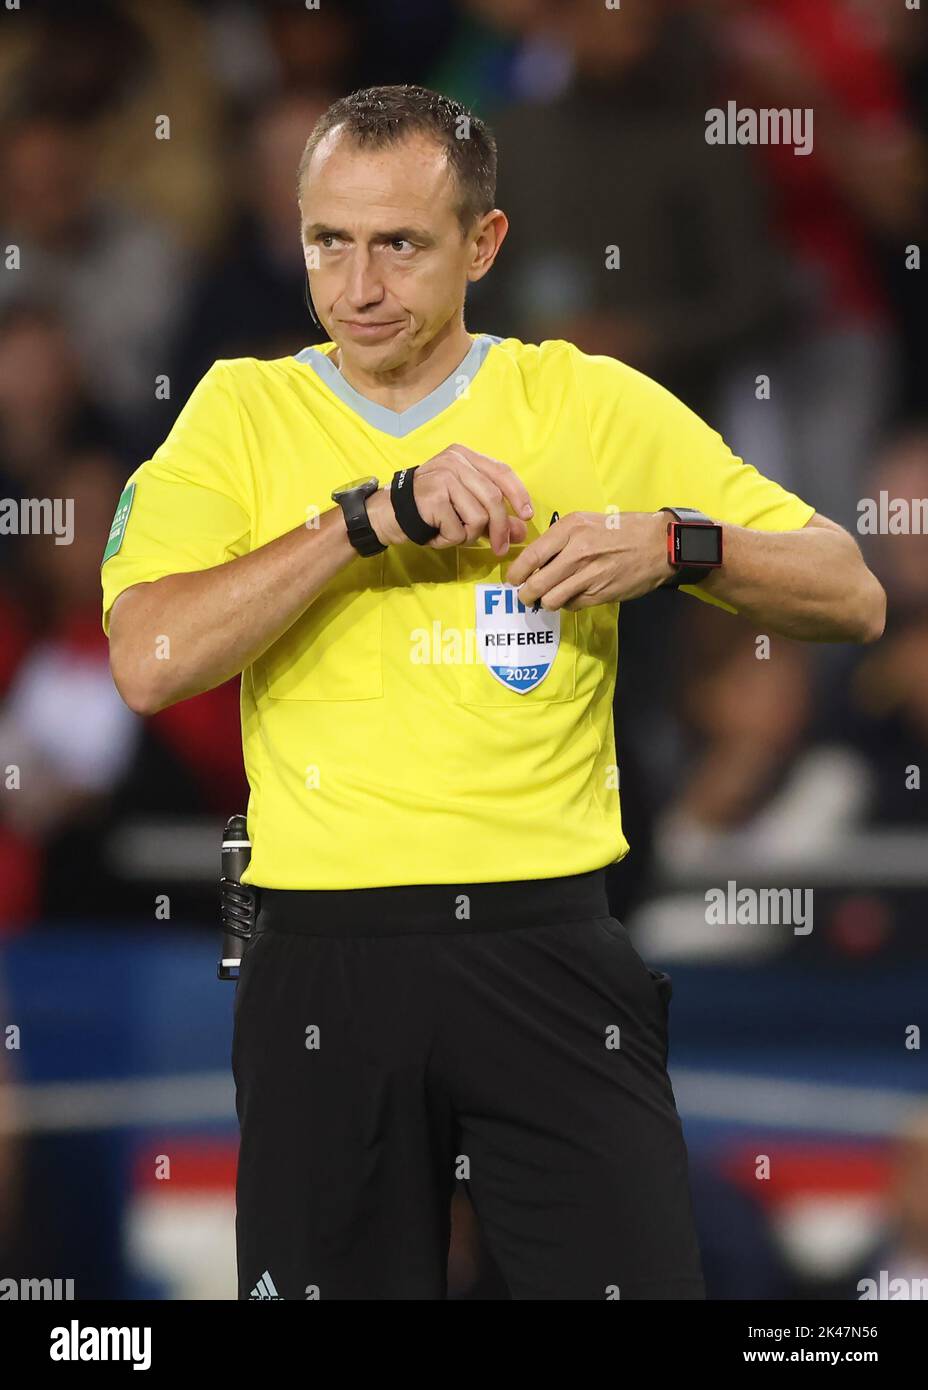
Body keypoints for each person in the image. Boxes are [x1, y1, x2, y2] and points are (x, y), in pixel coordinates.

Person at [101, 84, 885, 1301]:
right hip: (322, 954)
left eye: (400, 245)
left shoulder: (585, 402)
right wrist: (367, 520)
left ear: (485, 243)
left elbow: (850, 591)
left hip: (550, 947)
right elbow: (151, 659)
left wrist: (678, 544)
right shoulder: (239, 413)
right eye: (327, 242)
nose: (357, 287)